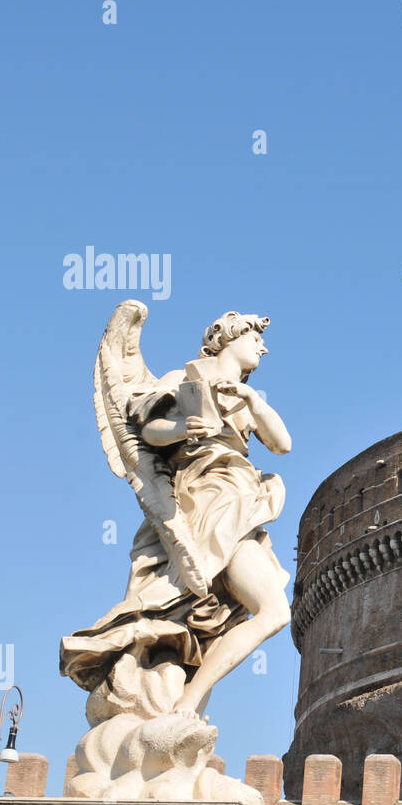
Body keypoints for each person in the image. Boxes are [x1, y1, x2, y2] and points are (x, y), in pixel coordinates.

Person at [61, 306, 293, 720]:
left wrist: (252, 399)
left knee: (248, 617)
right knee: (265, 610)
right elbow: (148, 431)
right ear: (230, 337)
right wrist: (187, 428)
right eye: (256, 339)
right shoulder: (182, 379)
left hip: (240, 497)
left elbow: (282, 444)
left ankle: (187, 707)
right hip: (205, 500)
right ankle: (186, 706)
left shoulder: (245, 398)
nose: (265, 348)